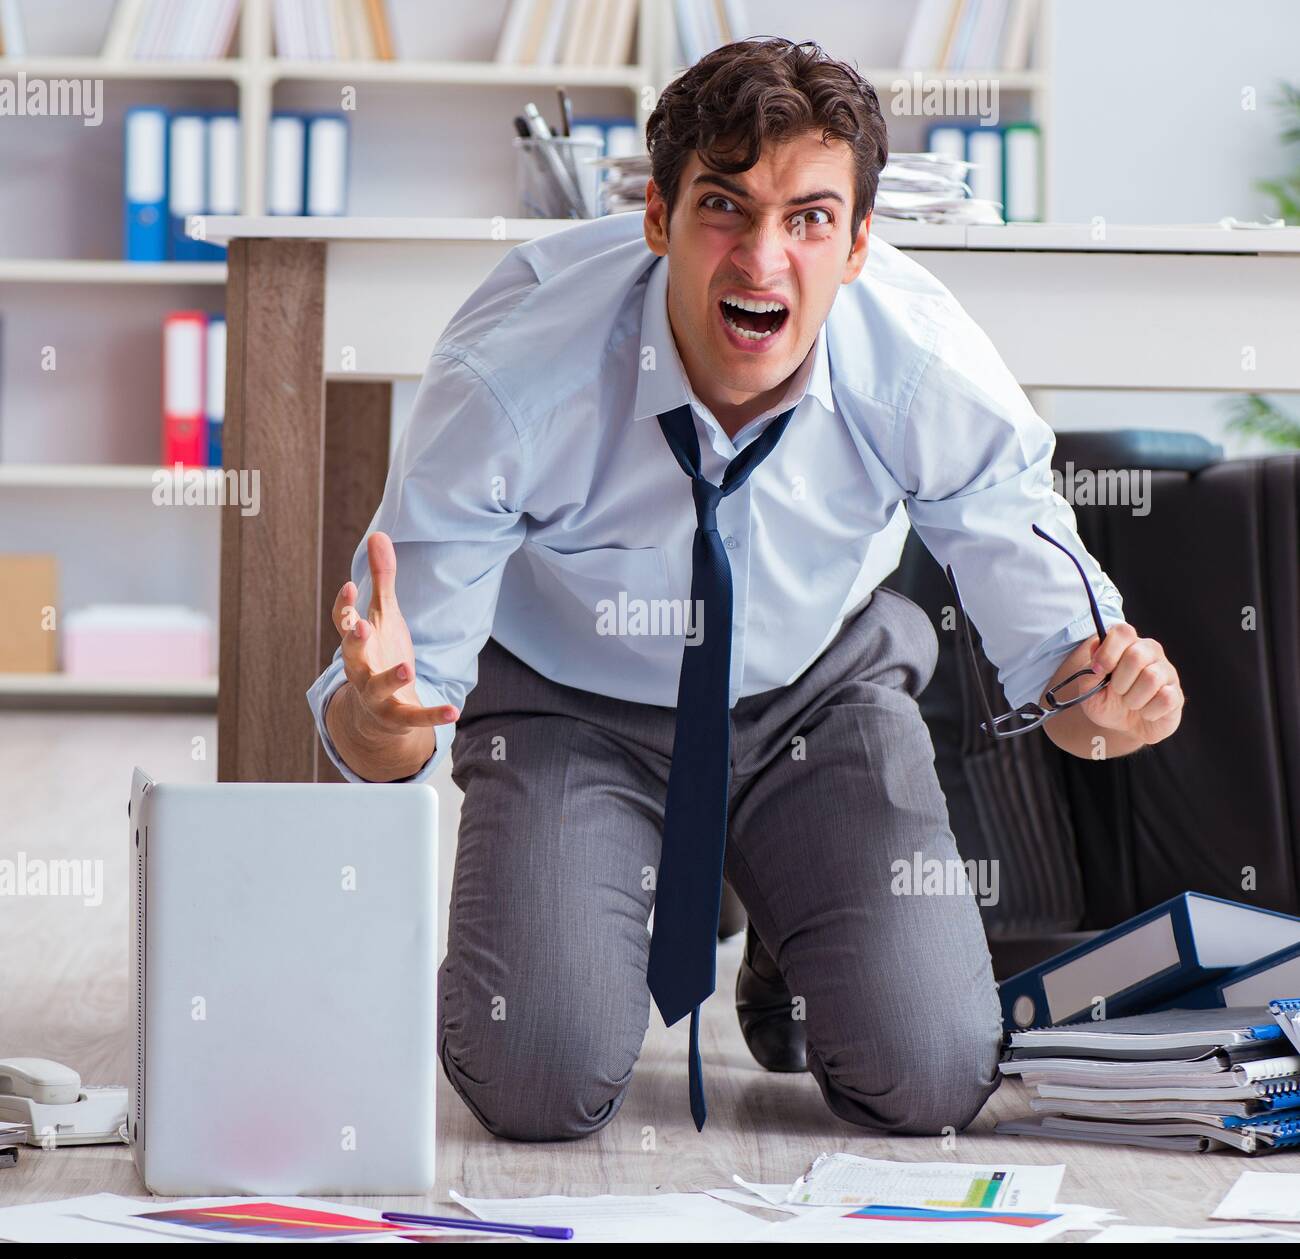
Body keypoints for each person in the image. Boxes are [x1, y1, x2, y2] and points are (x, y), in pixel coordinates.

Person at [307, 38, 1184, 1141]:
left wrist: (1105, 708)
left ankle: (784, 929)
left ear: (860, 243)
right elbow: (390, 722)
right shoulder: (512, 375)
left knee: (931, 1077)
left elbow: (1065, 671)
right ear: (657, 217)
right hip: (571, 706)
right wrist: (375, 713)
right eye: (725, 207)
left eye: (810, 218)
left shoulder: (918, 365)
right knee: (533, 1079)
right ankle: (657, 874)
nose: (763, 259)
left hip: (813, 697)